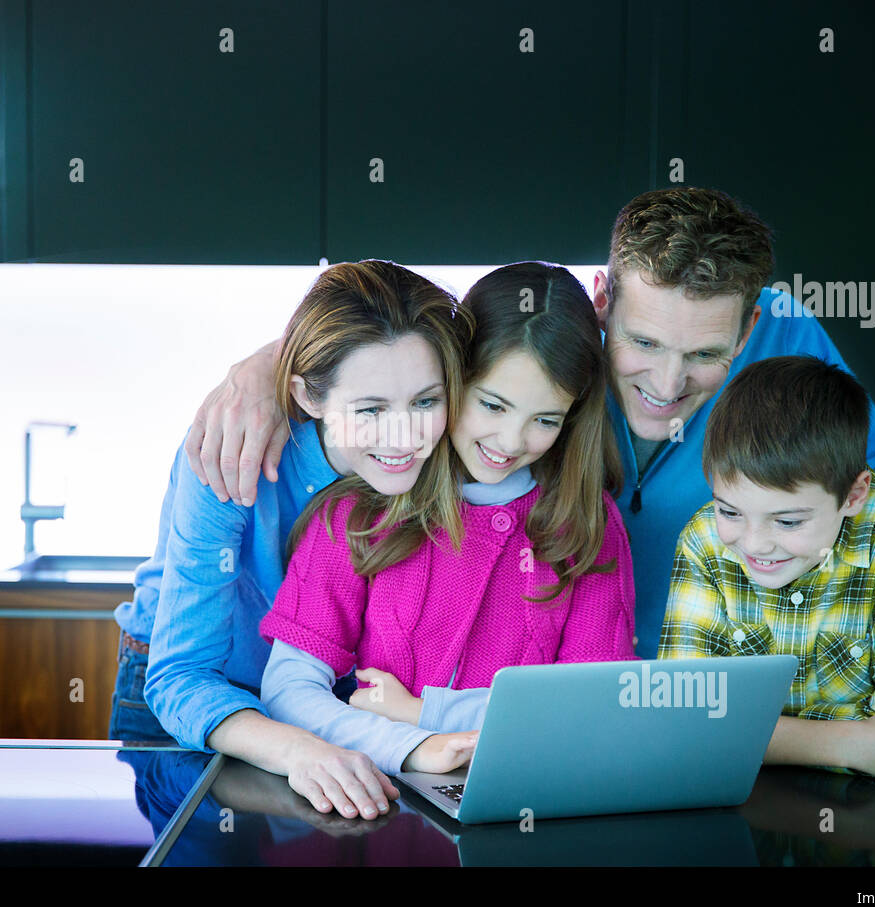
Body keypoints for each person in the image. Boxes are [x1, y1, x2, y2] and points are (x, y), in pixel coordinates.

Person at [183, 187, 875, 771]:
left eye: (706, 356)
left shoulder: (790, 349)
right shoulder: (529, 348)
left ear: (754, 327)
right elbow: (402, 320)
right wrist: (270, 362)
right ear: (601, 301)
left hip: (685, 702)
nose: (667, 383)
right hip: (354, 728)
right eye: (646, 345)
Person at [108, 259, 473, 820]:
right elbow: (181, 676)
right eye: (370, 409)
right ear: (308, 397)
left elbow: (549, 343)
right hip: (199, 690)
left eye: (426, 401)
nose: (405, 437)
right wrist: (301, 748)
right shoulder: (231, 453)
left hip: (332, 703)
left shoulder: (456, 455)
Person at [258, 262, 636, 774]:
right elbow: (289, 689)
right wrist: (409, 746)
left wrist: (426, 714)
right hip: (385, 795)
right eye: (493, 405)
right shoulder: (361, 512)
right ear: (452, 378)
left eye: (545, 420)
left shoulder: (588, 526)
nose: (509, 442)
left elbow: (591, 709)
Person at [657, 356, 875, 786]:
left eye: (788, 521)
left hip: (871, 820)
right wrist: (855, 743)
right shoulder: (704, 540)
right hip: (741, 810)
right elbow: (681, 723)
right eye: (730, 510)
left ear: (853, 496)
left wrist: (737, 736)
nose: (755, 543)